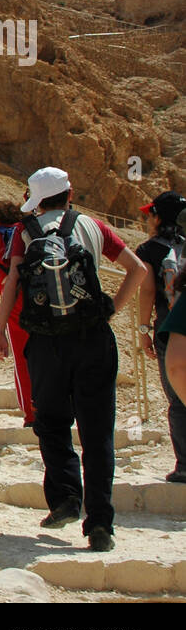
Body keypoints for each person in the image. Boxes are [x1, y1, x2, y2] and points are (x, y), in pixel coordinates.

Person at [0, 166, 146, 552]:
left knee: (51, 422)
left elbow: (12, 280)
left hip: (45, 341)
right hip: (93, 338)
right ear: (70, 193)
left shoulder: (26, 232)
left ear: (37, 200)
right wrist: (111, 309)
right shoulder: (94, 226)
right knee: (97, 432)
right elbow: (138, 269)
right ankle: (100, 524)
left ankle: (64, 500)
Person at [135, 191, 186, 483]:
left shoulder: (149, 250)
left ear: (158, 217)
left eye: (150, 214)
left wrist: (144, 331)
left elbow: (148, 292)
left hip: (169, 327)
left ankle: (184, 466)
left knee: (178, 400)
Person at [0, 200, 33, 425]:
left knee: (23, 359)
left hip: (15, 302)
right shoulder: (30, 230)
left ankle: (31, 413)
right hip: (45, 296)